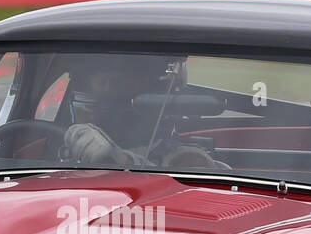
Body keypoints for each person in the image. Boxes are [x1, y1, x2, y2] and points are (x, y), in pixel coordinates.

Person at [59, 53, 226, 171]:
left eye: (118, 83)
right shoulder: (60, 150)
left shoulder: (186, 157)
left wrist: (117, 158)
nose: (108, 91)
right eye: (100, 83)